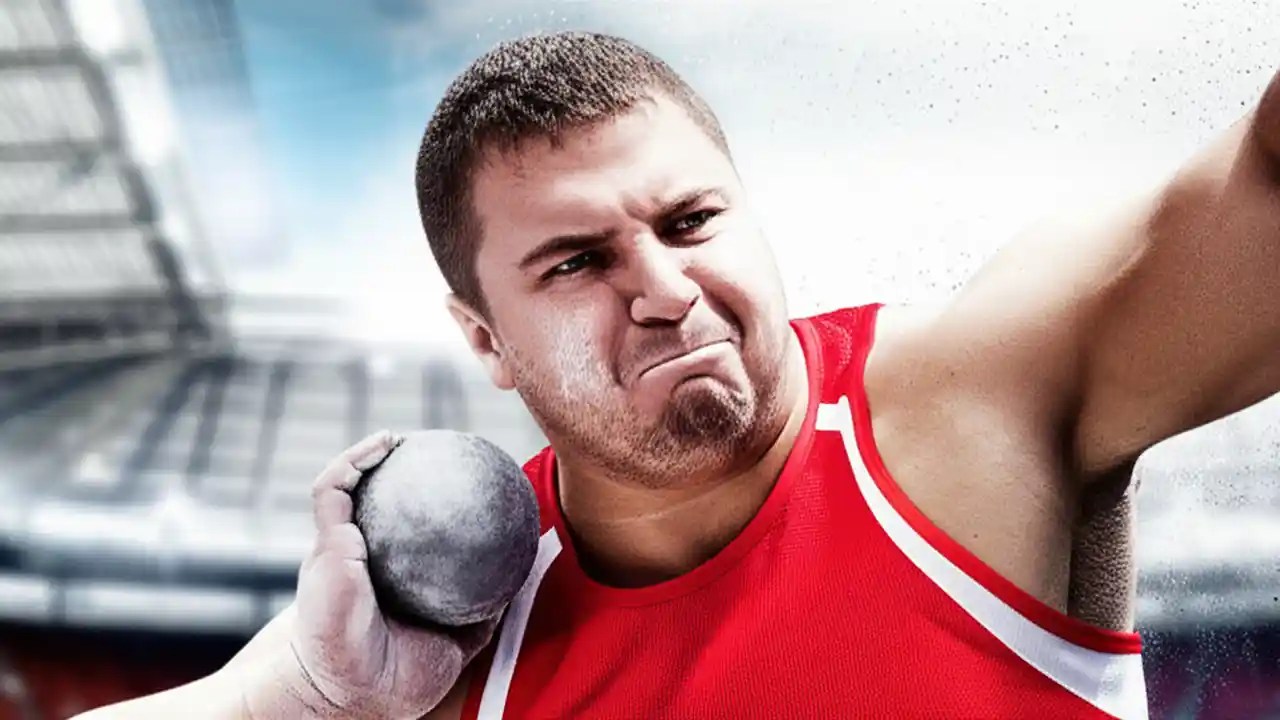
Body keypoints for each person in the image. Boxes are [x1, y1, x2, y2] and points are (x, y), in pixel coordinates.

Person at [77, 31, 1280, 719]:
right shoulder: (457, 649)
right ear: (483, 340)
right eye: (576, 262)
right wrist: (293, 696)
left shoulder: (979, 395)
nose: (663, 287)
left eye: (691, 218)